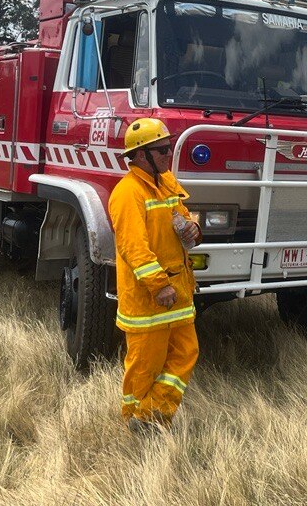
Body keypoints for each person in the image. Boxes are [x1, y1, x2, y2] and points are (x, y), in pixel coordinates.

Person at [108, 117, 202, 432]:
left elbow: (188, 219)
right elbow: (133, 248)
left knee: (186, 353)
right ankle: (134, 424)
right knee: (144, 368)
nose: (168, 154)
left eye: (169, 147)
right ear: (140, 155)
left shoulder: (166, 184)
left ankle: (149, 415)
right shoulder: (127, 193)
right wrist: (158, 285)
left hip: (179, 292)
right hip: (150, 300)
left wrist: (194, 229)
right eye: (162, 150)